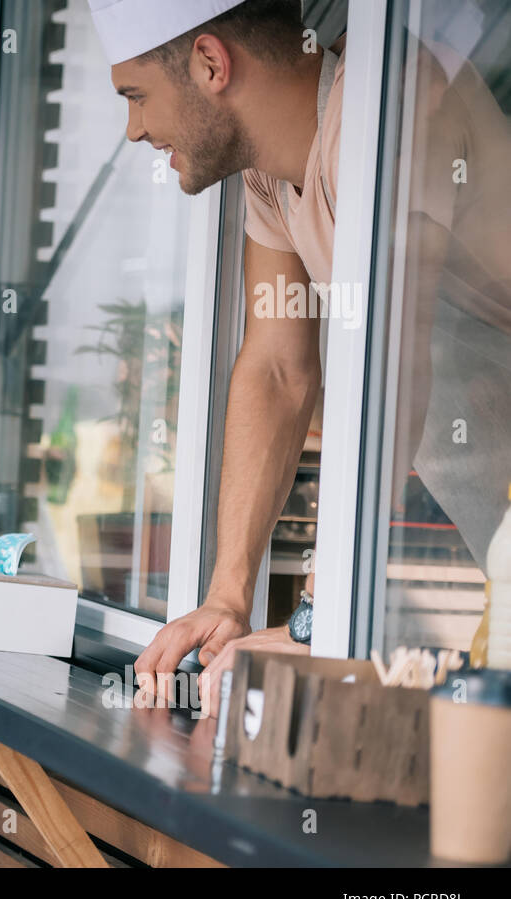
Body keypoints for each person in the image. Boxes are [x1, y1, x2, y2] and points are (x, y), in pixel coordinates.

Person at [85, 0, 511, 710]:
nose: (134, 129)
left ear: (211, 64)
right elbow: (279, 369)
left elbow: (393, 358)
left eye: (136, 97)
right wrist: (227, 595)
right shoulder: (271, 174)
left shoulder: (388, 110)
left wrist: (318, 619)